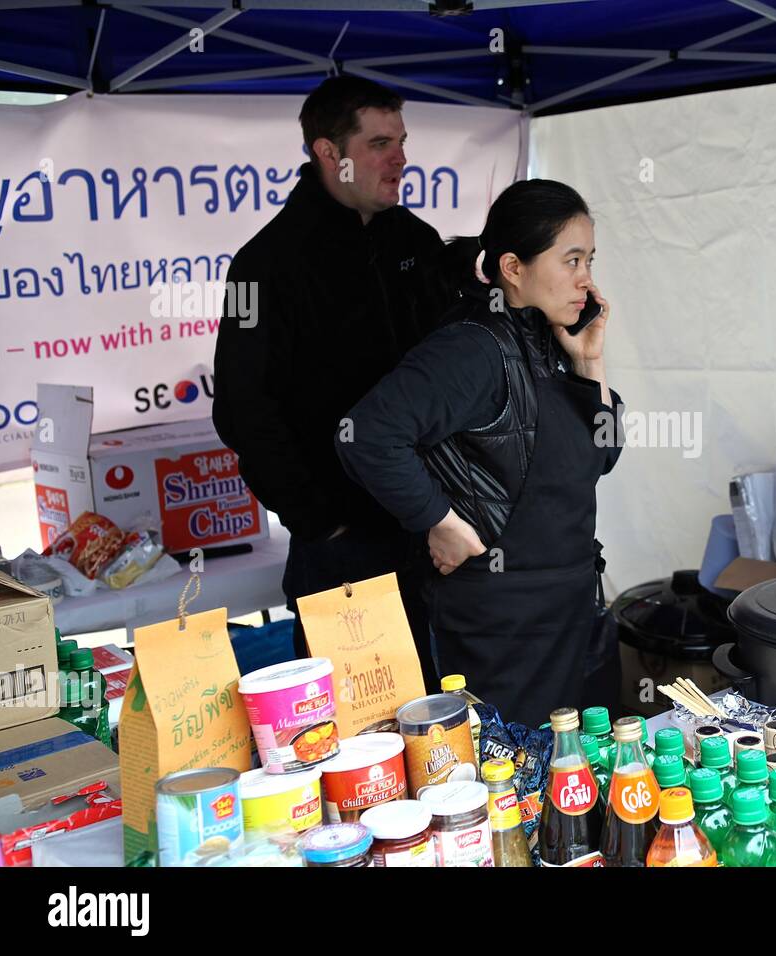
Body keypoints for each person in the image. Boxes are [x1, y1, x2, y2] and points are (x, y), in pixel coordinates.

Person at [335, 179, 623, 728]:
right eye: (572, 260)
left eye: (589, 259)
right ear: (513, 268)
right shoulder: (472, 348)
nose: (586, 278)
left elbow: (603, 457)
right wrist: (438, 522)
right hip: (503, 628)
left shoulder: (553, 341)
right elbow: (365, 433)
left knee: (580, 780)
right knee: (510, 787)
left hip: (571, 608)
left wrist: (591, 364)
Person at [213, 75, 454, 690]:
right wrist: (320, 519)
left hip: (436, 530)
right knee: (352, 737)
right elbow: (241, 410)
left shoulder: (419, 244)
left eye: (401, 141)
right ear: (328, 153)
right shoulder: (263, 265)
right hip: (341, 549)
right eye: (380, 143)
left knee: (449, 724)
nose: (400, 158)